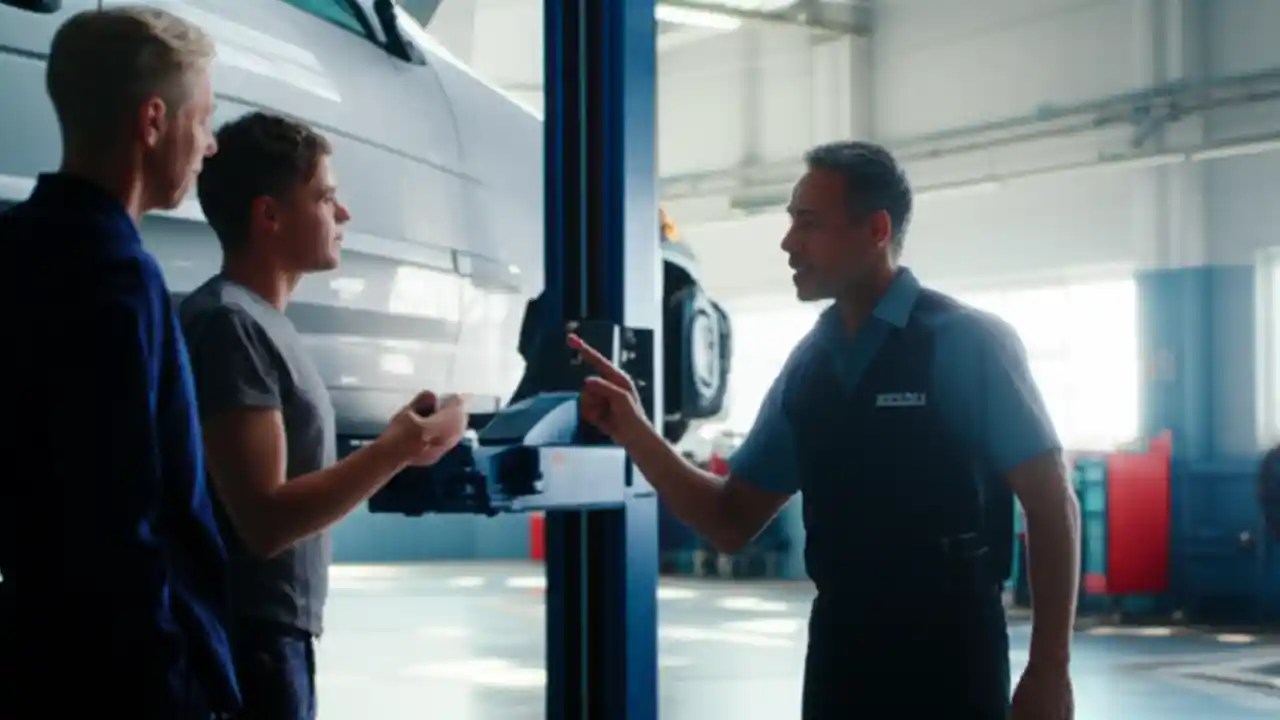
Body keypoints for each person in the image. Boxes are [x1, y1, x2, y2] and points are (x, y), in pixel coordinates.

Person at [569, 141, 1080, 719]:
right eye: (791, 224)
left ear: (876, 229)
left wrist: (1049, 669)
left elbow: (1050, 502)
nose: (789, 244)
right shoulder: (811, 367)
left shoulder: (964, 342)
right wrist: (635, 429)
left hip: (949, 654)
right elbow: (730, 520)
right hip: (840, 653)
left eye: (808, 225)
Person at [178, 110, 469, 720]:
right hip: (252, 638)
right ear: (270, 216)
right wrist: (393, 449)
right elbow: (264, 519)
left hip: (273, 634)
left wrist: (406, 443)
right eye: (326, 197)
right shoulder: (232, 324)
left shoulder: (260, 323)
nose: (344, 215)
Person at [0, 7, 240, 718]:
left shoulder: (17, 246)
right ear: (154, 121)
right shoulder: (116, 276)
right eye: (204, 120)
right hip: (129, 677)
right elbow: (123, 513)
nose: (211, 147)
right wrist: (177, 682)